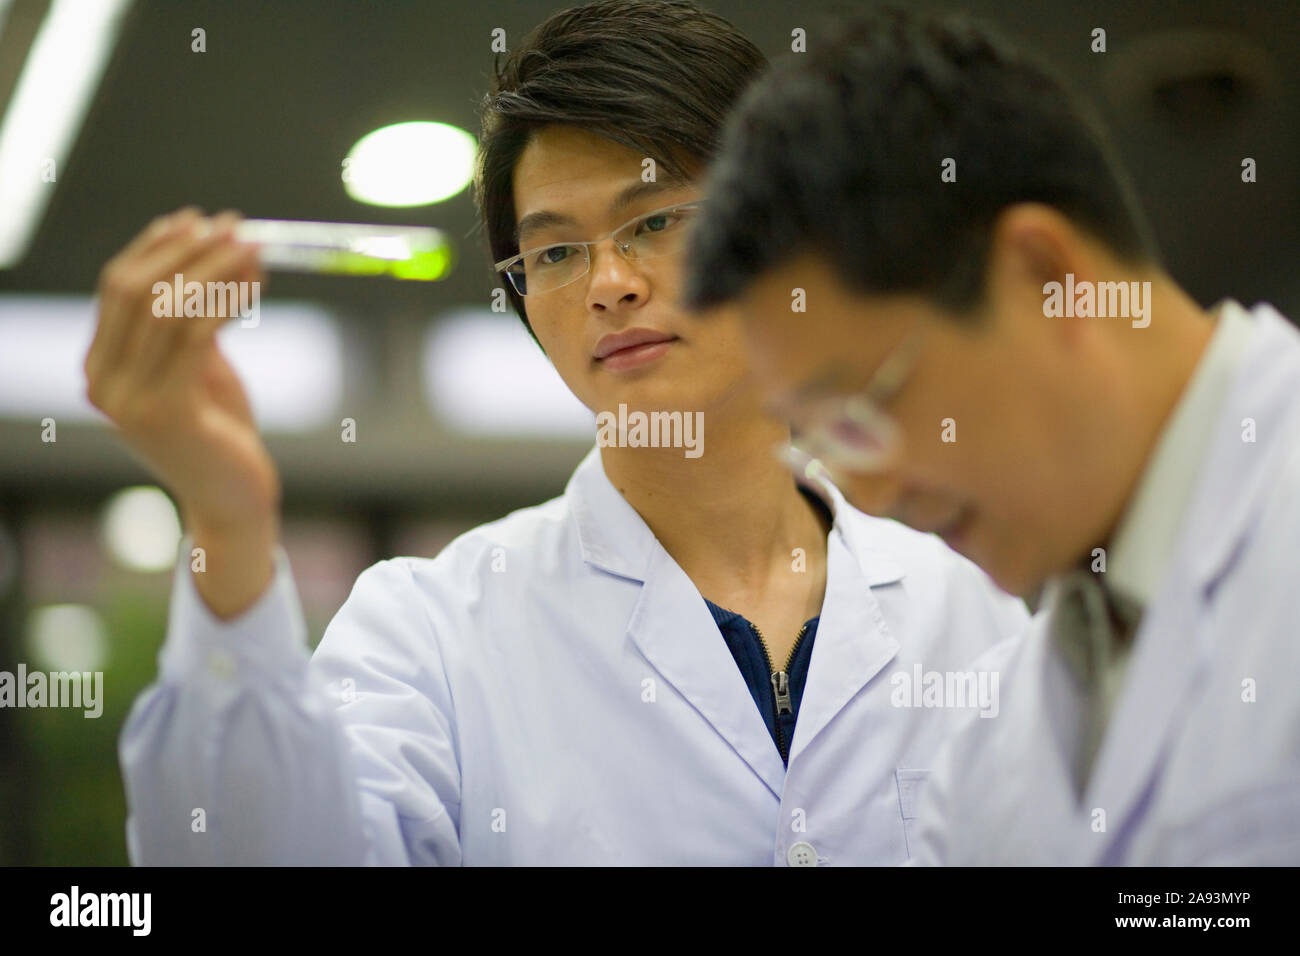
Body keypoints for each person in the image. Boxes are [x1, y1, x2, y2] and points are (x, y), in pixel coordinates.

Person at [93, 0, 1026, 866]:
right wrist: (226, 520)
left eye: (655, 220)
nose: (608, 283)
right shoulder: (432, 635)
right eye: (554, 252)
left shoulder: (970, 612)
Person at [681, 7, 1300, 864]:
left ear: (1047, 278)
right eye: (820, 440)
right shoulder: (1003, 737)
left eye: (864, 410)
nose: (867, 493)